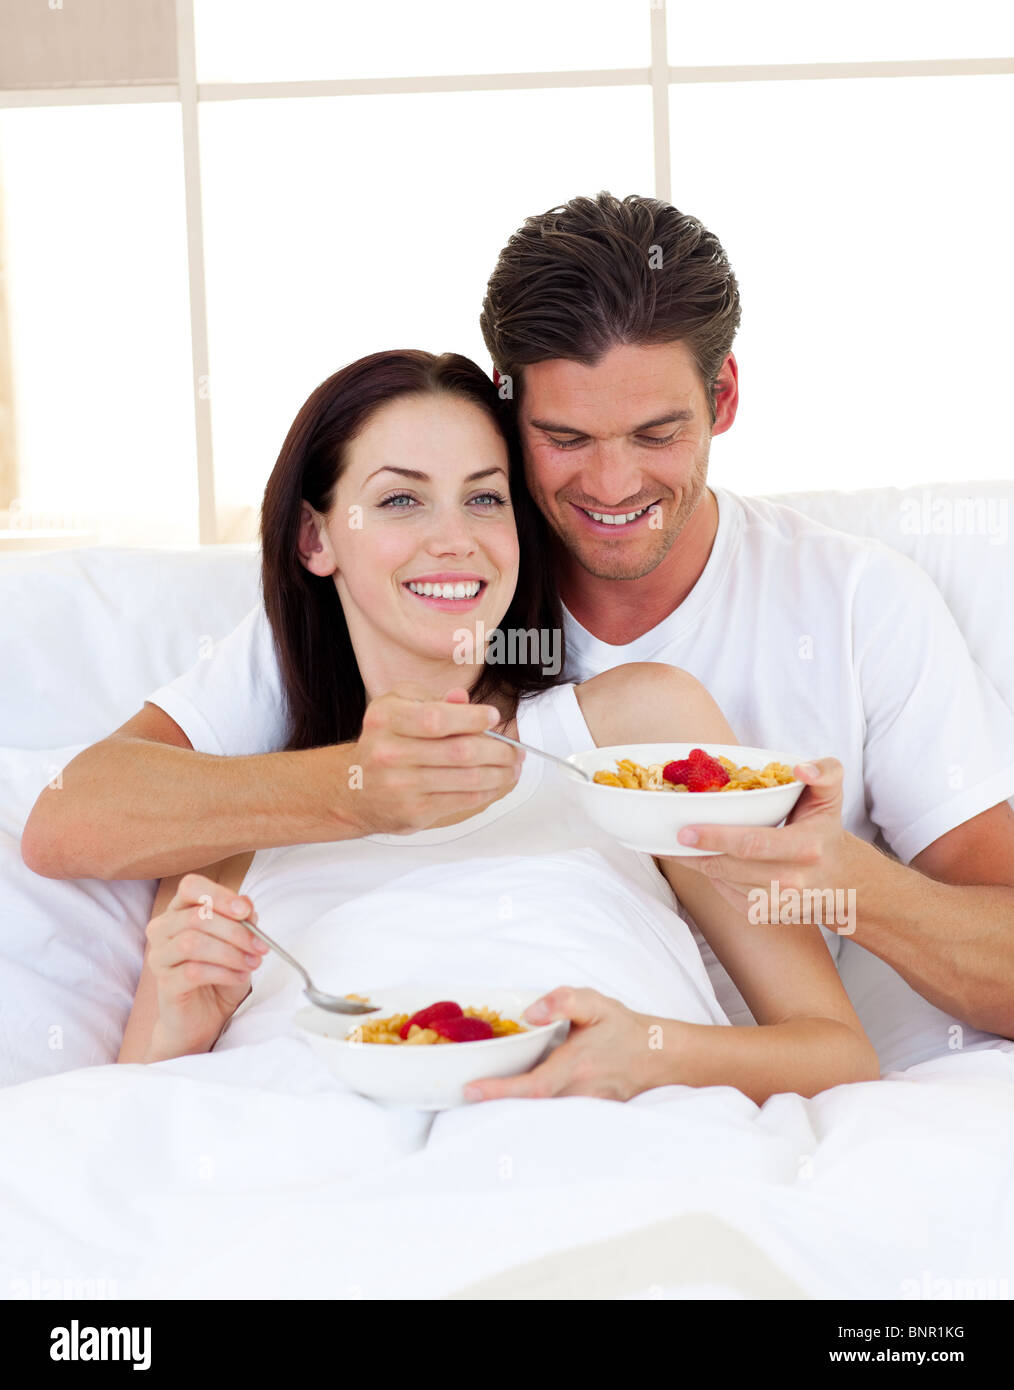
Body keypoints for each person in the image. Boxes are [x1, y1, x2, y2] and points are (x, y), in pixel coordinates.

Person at [22, 193, 1014, 1061]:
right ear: (507, 412)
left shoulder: (853, 602)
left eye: (658, 434)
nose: (615, 485)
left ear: (724, 398)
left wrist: (843, 882)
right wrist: (358, 784)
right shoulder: (427, 592)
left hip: (677, 1060)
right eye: (565, 438)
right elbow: (73, 816)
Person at [115, 348, 878, 1102]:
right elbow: (131, 1123)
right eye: (400, 500)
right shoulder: (234, 818)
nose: (455, 539)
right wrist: (180, 1033)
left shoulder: (632, 731)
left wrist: (655, 1053)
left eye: (485, 499)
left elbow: (833, 1052)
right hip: (310, 1168)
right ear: (315, 539)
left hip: (613, 1157)